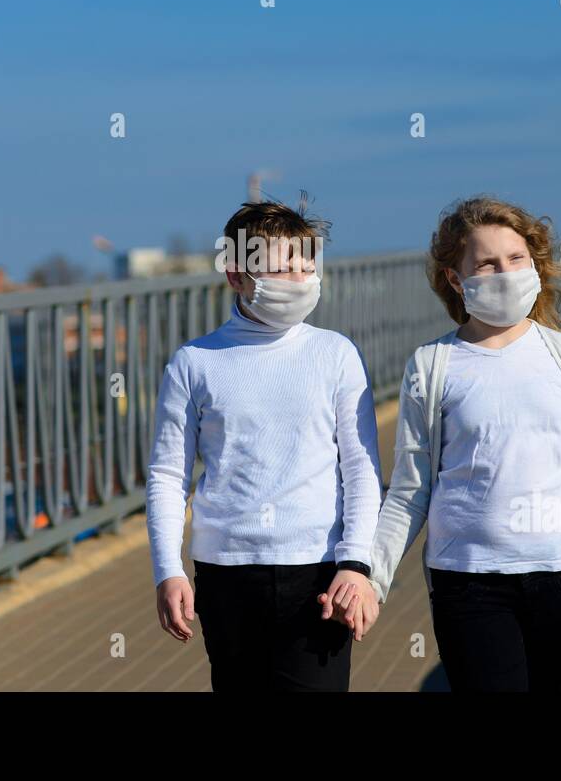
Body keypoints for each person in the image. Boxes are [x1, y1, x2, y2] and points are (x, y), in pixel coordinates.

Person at [364, 195, 561, 691]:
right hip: (469, 582)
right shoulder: (432, 365)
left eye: (516, 259)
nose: (505, 271)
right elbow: (410, 491)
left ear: (535, 264)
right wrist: (369, 578)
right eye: (487, 263)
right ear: (456, 279)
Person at [146, 197, 383, 691]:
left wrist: (358, 565)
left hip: (318, 571)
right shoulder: (195, 362)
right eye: (281, 269)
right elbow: (168, 476)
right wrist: (168, 571)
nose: (300, 279)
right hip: (226, 572)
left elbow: (360, 469)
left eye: (306, 265)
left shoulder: (336, 354)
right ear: (235, 276)